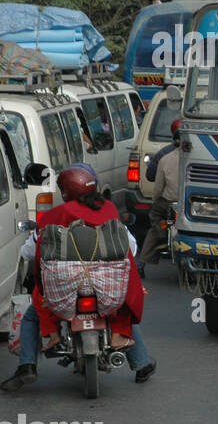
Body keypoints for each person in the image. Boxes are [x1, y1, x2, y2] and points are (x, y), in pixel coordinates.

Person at [1, 164, 155, 392]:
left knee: (33, 314)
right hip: (106, 288)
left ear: (64, 192)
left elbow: (30, 251)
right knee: (123, 305)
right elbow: (129, 247)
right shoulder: (109, 210)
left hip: (64, 290)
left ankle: (27, 365)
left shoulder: (54, 215)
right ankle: (140, 363)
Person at [139, 120, 181, 269]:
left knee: (155, 221)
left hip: (167, 203)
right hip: (189, 205)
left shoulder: (164, 157)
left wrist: (156, 200)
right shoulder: (198, 157)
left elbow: (157, 187)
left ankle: (142, 264)